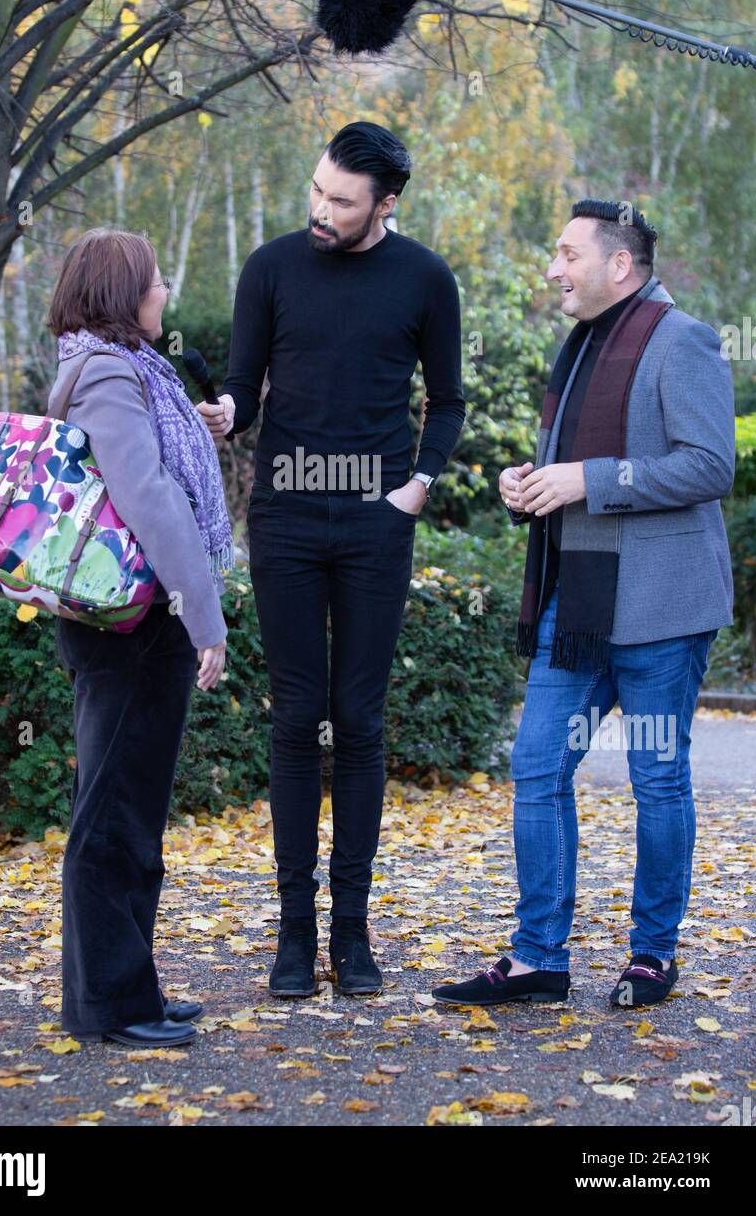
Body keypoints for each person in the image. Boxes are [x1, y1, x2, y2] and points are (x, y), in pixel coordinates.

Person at [432, 200, 735, 1011]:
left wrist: (588, 480)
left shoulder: (684, 340)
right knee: (536, 766)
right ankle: (539, 960)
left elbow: (711, 465)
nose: (553, 268)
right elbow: (573, 470)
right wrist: (530, 487)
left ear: (620, 266)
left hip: (663, 610)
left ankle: (651, 956)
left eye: (567, 254)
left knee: (656, 780)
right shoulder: (581, 347)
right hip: (580, 606)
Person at [197, 121, 466, 997]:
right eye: (317, 190)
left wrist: (416, 488)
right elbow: (244, 379)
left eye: (341, 201)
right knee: (292, 720)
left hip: (375, 525)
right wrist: (227, 412)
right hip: (285, 521)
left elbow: (449, 401)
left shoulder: (425, 278)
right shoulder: (271, 267)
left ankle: (351, 933)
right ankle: (292, 933)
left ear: (384, 204)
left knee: (358, 723)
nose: (321, 210)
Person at [45, 227, 233, 1047]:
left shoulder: (119, 370)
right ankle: (112, 1006)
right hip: (130, 625)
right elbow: (150, 494)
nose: (164, 295)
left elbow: (150, 465)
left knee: (130, 809)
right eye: (154, 283)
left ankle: (130, 989)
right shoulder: (111, 374)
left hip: (130, 623)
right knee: (112, 816)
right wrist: (205, 611)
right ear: (125, 297)